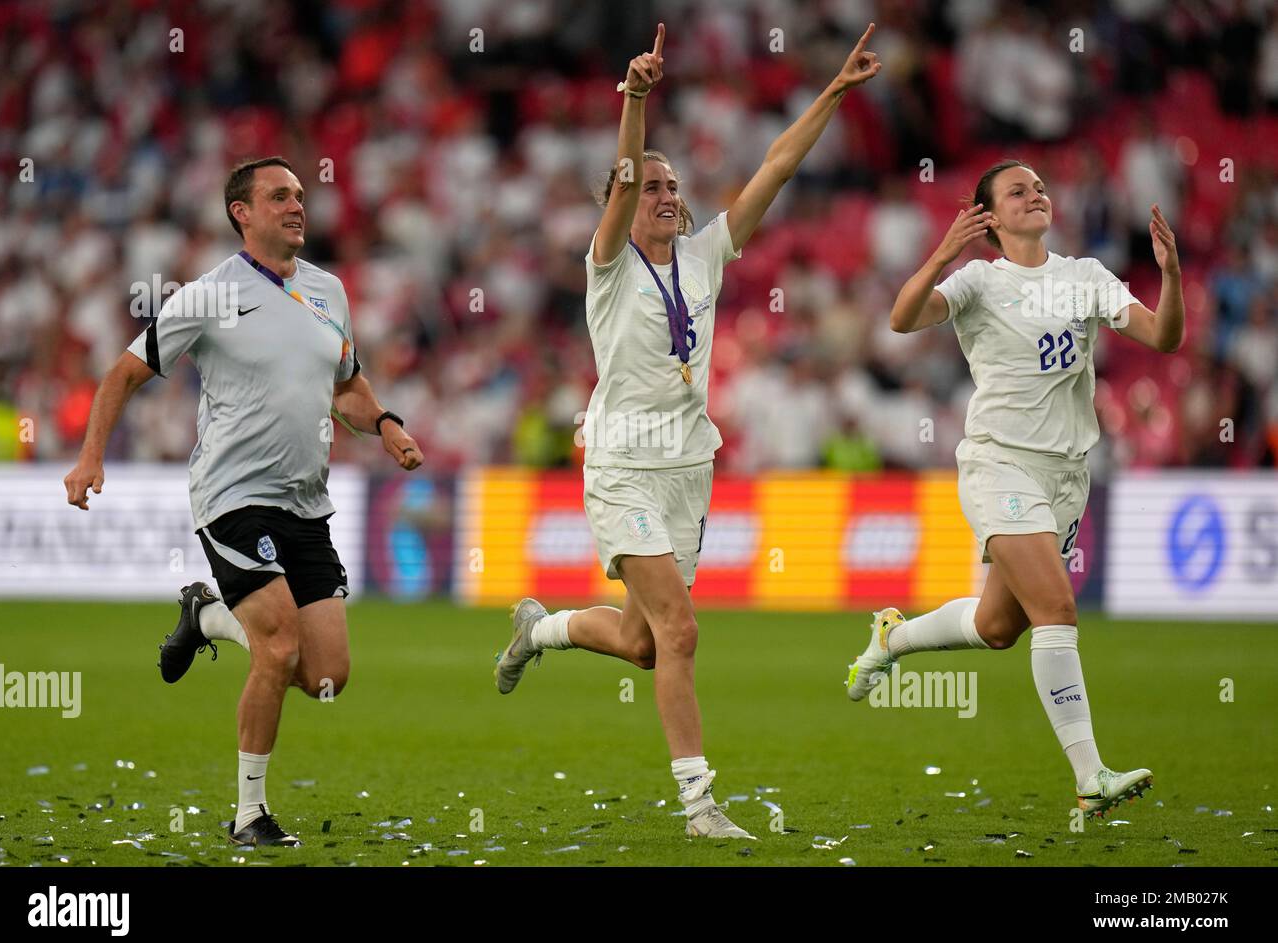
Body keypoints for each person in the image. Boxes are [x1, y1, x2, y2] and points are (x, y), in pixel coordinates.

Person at [494, 23, 882, 839]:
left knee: (642, 643)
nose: (667, 194)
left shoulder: (703, 259)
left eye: (675, 186)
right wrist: (635, 97)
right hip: (623, 466)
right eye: (652, 187)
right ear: (626, 200)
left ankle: (544, 628)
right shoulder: (609, 265)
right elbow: (626, 169)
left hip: (687, 472)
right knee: (680, 629)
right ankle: (700, 804)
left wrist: (834, 94)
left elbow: (776, 166)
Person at [63, 157, 424, 846]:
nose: (296, 206)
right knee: (279, 643)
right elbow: (122, 373)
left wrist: (383, 423)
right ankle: (250, 814)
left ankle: (206, 618)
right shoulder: (209, 295)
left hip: (305, 504)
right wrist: (90, 456)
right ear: (242, 213)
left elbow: (346, 385)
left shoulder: (329, 291)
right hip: (233, 496)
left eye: (300, 195)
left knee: (326, 676)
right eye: (278, 196)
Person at [845, 159, 1184, 819]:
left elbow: (1164, 338)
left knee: (999, 627)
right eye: (1016, 191)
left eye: (1039, 187)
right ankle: (1091, 778)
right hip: (1001, 465)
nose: (1036, 195)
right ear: (990, 219)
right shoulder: (978, 280)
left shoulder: (1084, 276)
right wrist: (944, 251)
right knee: (1056, 610)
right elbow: (901, 319)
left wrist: (1170, 275)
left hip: (1066, 475)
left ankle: (894, 639)